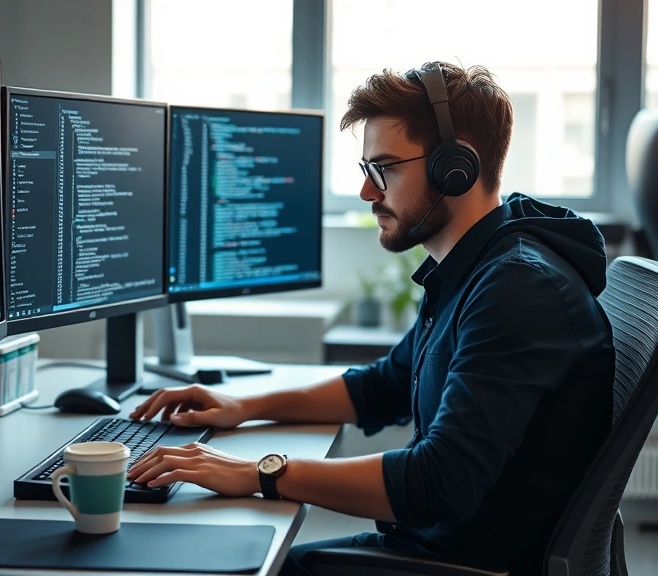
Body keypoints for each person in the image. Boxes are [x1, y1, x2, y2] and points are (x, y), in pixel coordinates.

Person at [127, 61, 615, 576]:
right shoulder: (477, 263)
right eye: (367, 171)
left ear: (456, 168)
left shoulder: (518, 290)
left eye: (383, 169)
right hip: (440, 547)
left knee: (230, 563)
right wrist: (241, 407)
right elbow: (385, 384)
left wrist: (259, 472)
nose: (367, 192)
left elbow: (438, 484)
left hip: (466, 563)